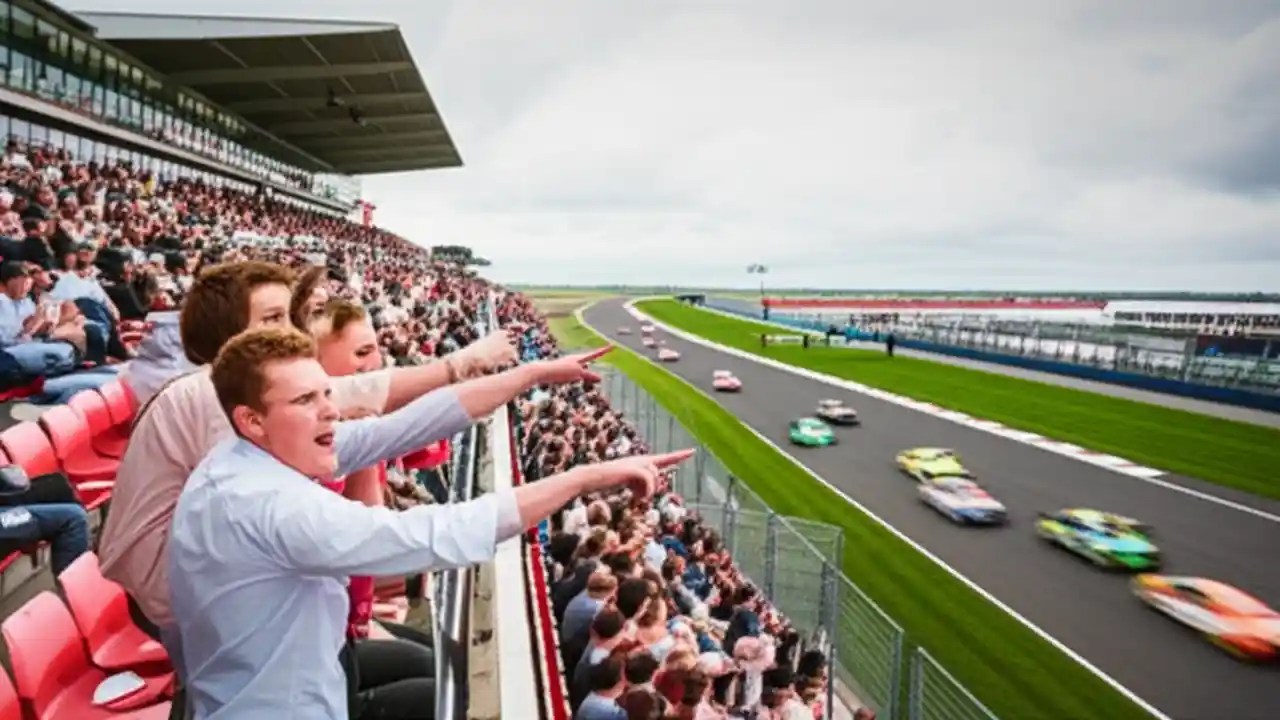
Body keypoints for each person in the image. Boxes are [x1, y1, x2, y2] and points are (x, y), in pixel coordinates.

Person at [170, 327, 695, 719]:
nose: (330, 411)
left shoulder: (250, 454)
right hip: (279, 705)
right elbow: (433, 533)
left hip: (294, 670)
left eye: (326, 392)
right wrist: (583, 477)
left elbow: (401, 429)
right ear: (252, 420)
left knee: (441, 674)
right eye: (307, 399)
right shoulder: (271, 505)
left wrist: (529, 375)